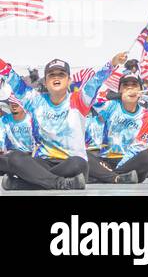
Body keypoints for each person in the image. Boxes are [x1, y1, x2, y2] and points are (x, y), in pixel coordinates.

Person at [0, 53, 123, 190]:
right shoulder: (35, 101)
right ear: (45, 82)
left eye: (61, 74)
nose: (56, 77)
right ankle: (60, 183)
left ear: (69, 80)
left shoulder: (79, 100)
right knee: (14, 157)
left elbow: (95, 82)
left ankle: (26, 183)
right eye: (51, 75)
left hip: (71, 163)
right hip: (43, 162)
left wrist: (112, 64)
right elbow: (15, 82)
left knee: (79, 163)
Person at [87, 73, 148, 184]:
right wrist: (116, 96)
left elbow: (138, 146)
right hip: (105, 160)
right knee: (82, 155)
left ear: (141, 91)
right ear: (120, 90)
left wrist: (118, 168)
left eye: (134, 85)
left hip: (130, 162)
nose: (130, 88)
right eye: (126, 85)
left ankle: (108, 176)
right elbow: (90, 98)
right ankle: (117, 177)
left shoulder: (146, 116)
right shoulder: (111, 105)